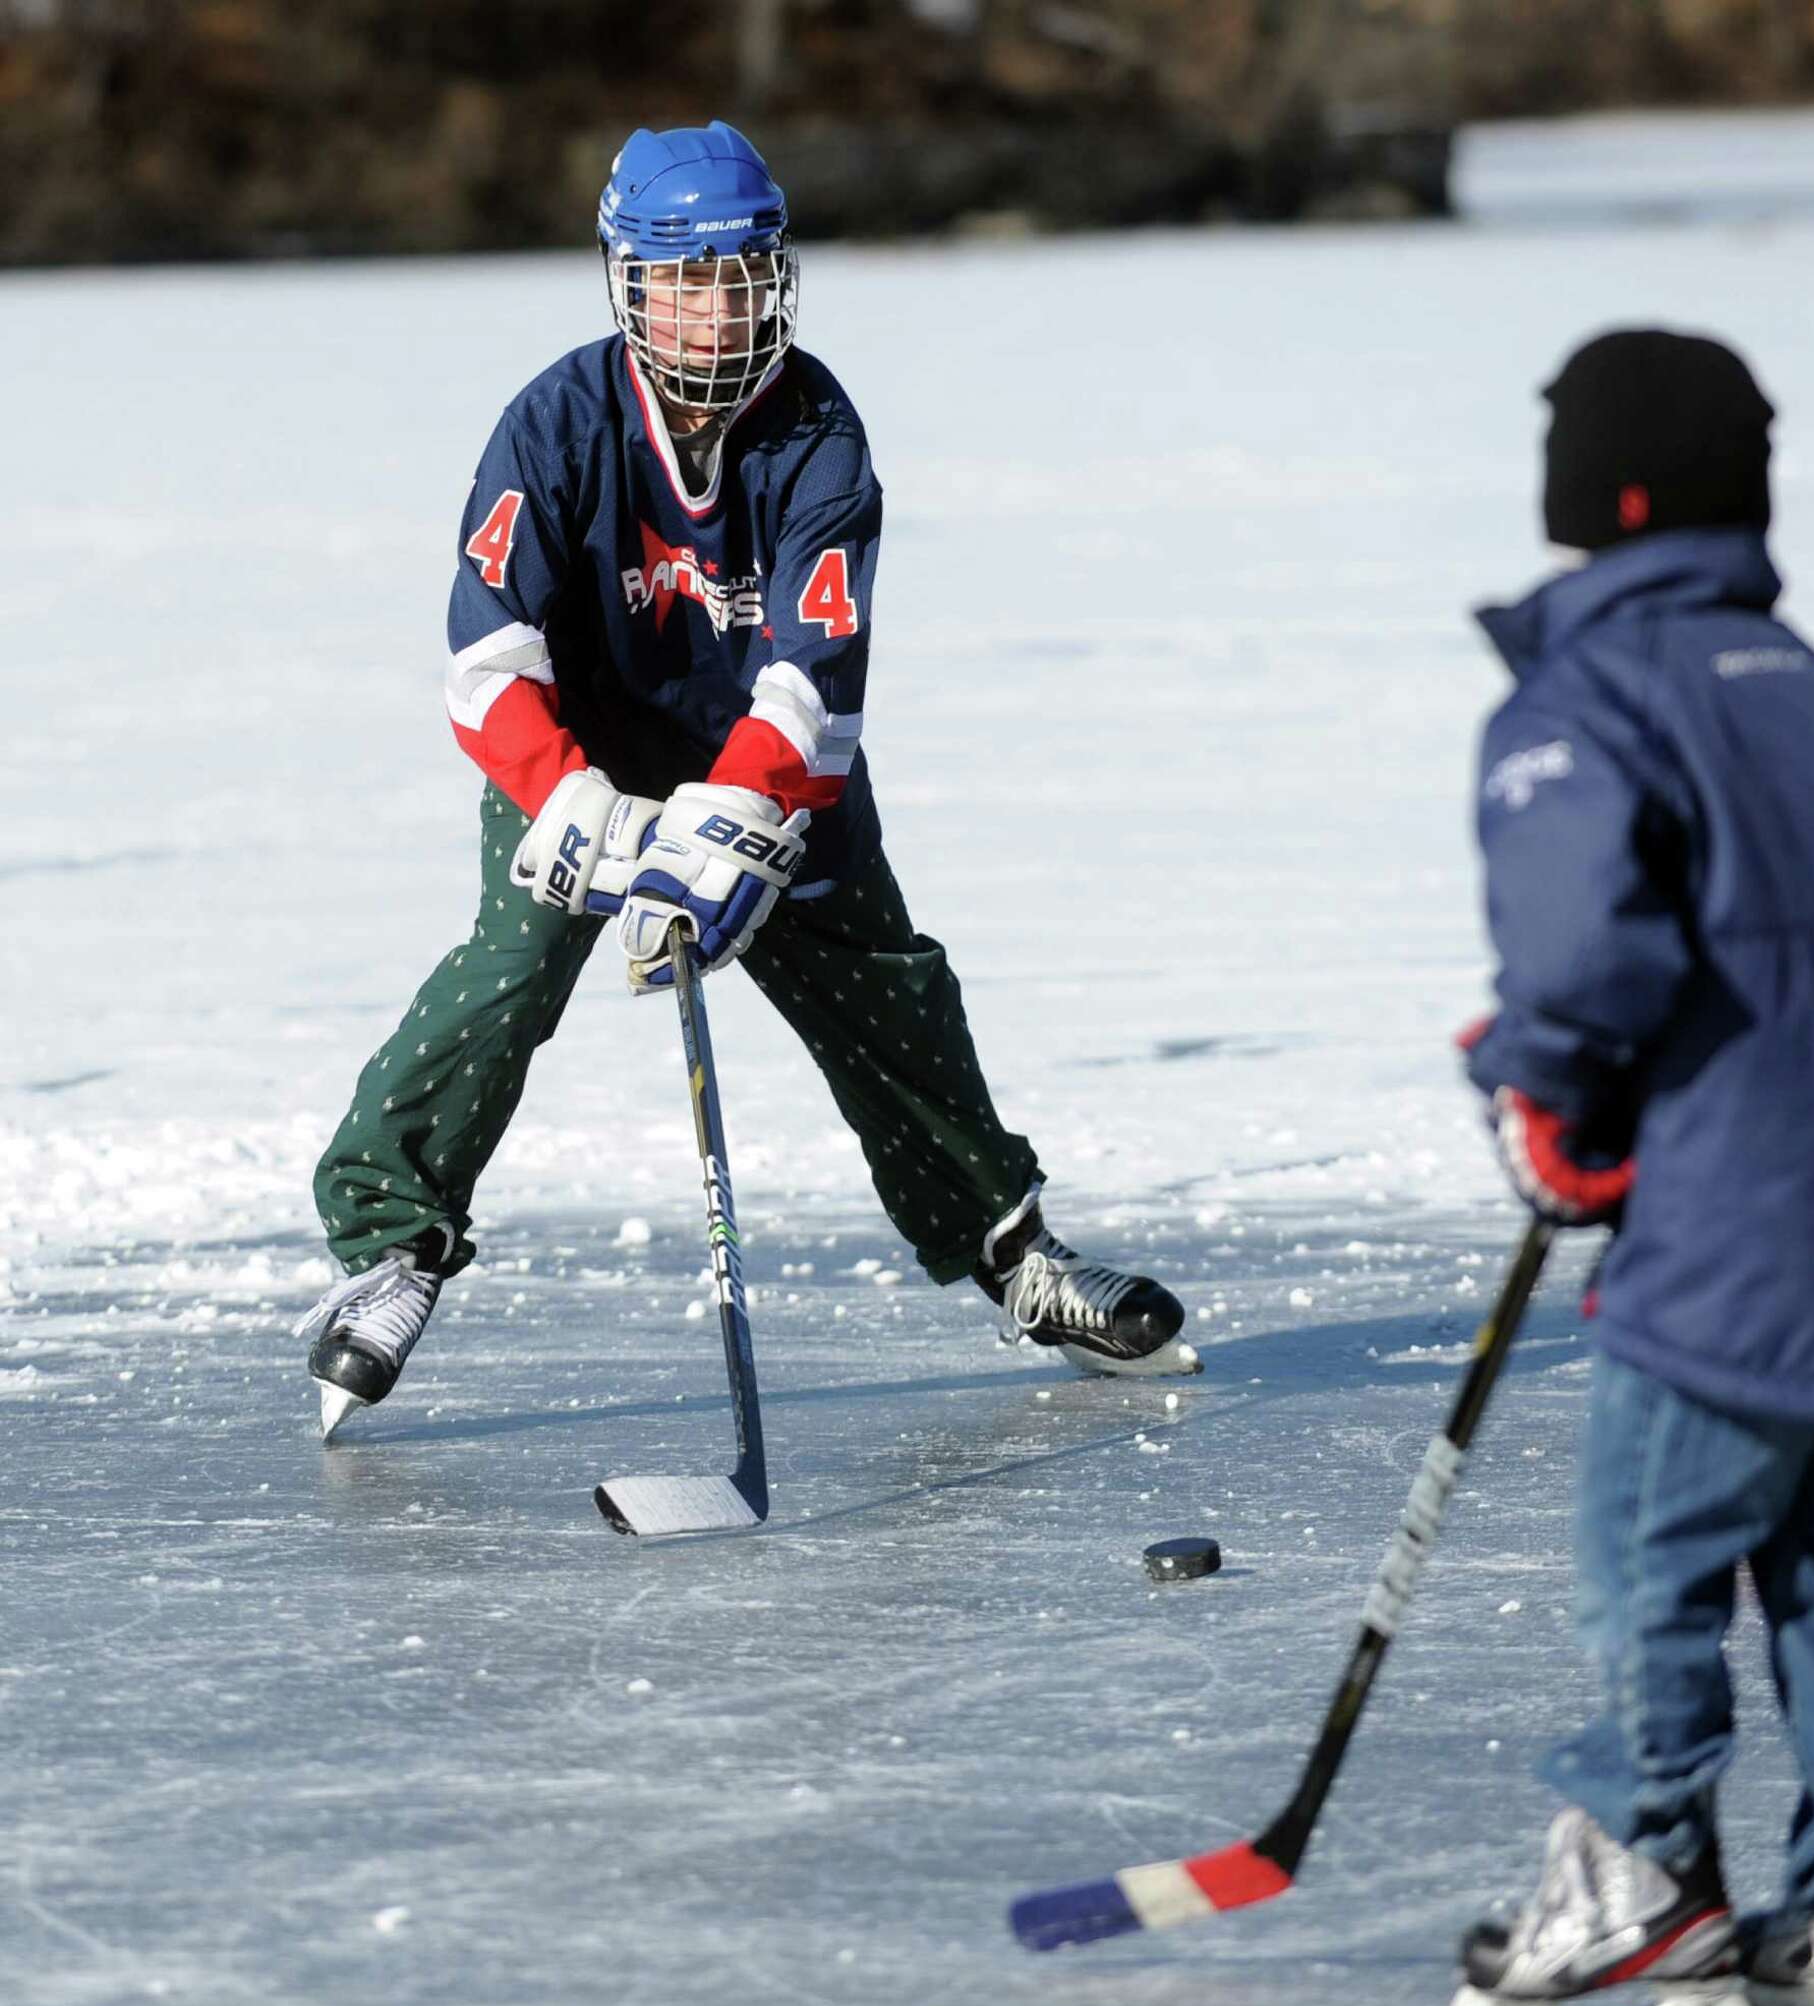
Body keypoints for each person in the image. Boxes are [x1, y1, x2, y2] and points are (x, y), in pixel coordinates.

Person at [296, 121, 1195, 1441]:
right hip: (582, 759)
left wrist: (737, 821)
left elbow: (816, 673)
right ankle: (391, 1251)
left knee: (885, 987)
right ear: (628, 281)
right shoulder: (553, 425)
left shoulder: (819, 430)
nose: (720, 307)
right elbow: (485, 655)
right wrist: (572, 803)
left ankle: (1016, 1257)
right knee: (512, 965)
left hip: (764, 762)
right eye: (688, 276)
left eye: (745, 274)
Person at [1449, 328, 1814, 2006]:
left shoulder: (1589, 698)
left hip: (1739, 1236)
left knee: (1652, 1557)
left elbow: (1582, 950)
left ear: (1588, 493)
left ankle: (1644, 1893)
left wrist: (1544, 1086)